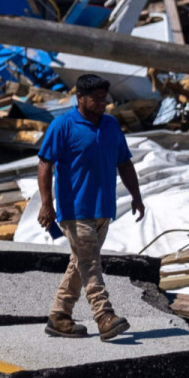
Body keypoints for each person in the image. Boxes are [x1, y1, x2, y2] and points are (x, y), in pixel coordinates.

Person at [36, 74, 145, 341]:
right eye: (95, 99)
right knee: (91, 264)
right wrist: (46, 204)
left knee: (80, 263)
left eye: (103, 98)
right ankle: (104, 316)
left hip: (103, 209)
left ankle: (59, 316)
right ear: (79, 98)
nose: (101, 103)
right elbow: (45, 164)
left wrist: (136, 196)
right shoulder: (63, 125)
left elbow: (124, 163)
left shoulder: (111, 125)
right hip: (75, 210)